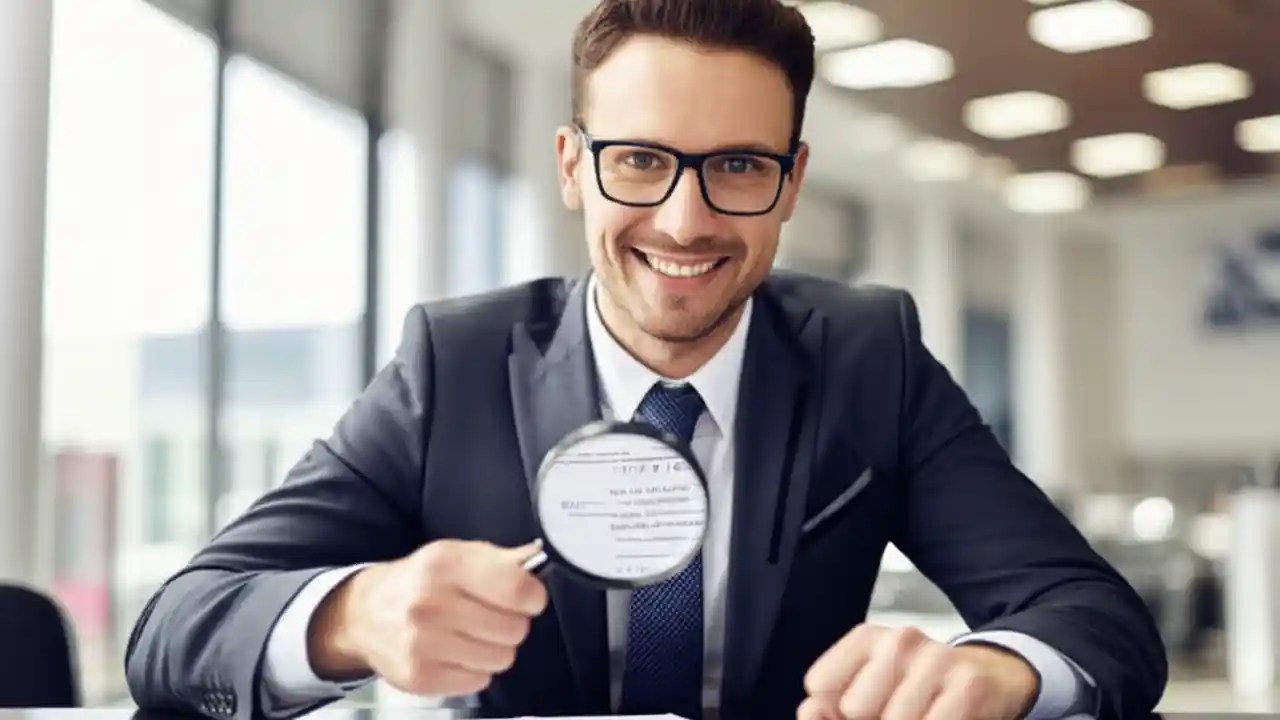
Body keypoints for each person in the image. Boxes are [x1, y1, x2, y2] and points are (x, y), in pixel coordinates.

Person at [124, 0, 1167, 718]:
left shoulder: (868, 358)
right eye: (638, 160)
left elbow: (1094, 618)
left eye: (738, 167)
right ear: (572, 166)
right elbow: (177, 629)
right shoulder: (456, 365)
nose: (684, 220)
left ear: (793, 180)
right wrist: (354, 616)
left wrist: (996, 671)